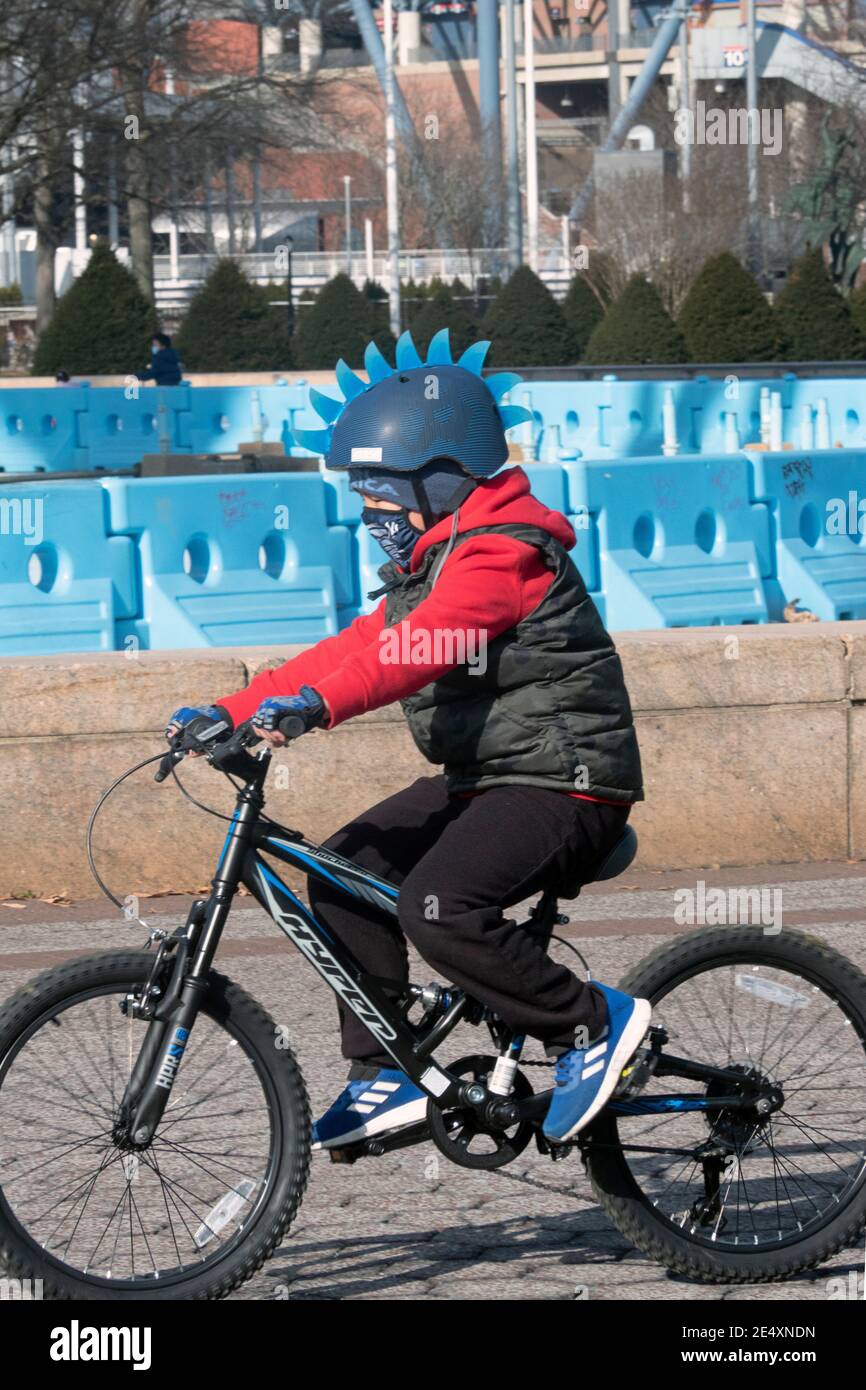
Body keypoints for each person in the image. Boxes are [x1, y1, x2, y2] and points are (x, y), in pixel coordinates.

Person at [165, 329, 650, 1151]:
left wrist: (316, 708)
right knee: (346, 874)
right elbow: (356, 645)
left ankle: (592, 1023)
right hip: (490, 780)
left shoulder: (501, 555)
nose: (371, 515)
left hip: (567, 783)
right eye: (364, 497)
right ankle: (387, 1071)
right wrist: (230, 707)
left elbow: (419, 647)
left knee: (438, 905)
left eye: (381, 495)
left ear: (441, 480)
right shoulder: (433, 561)